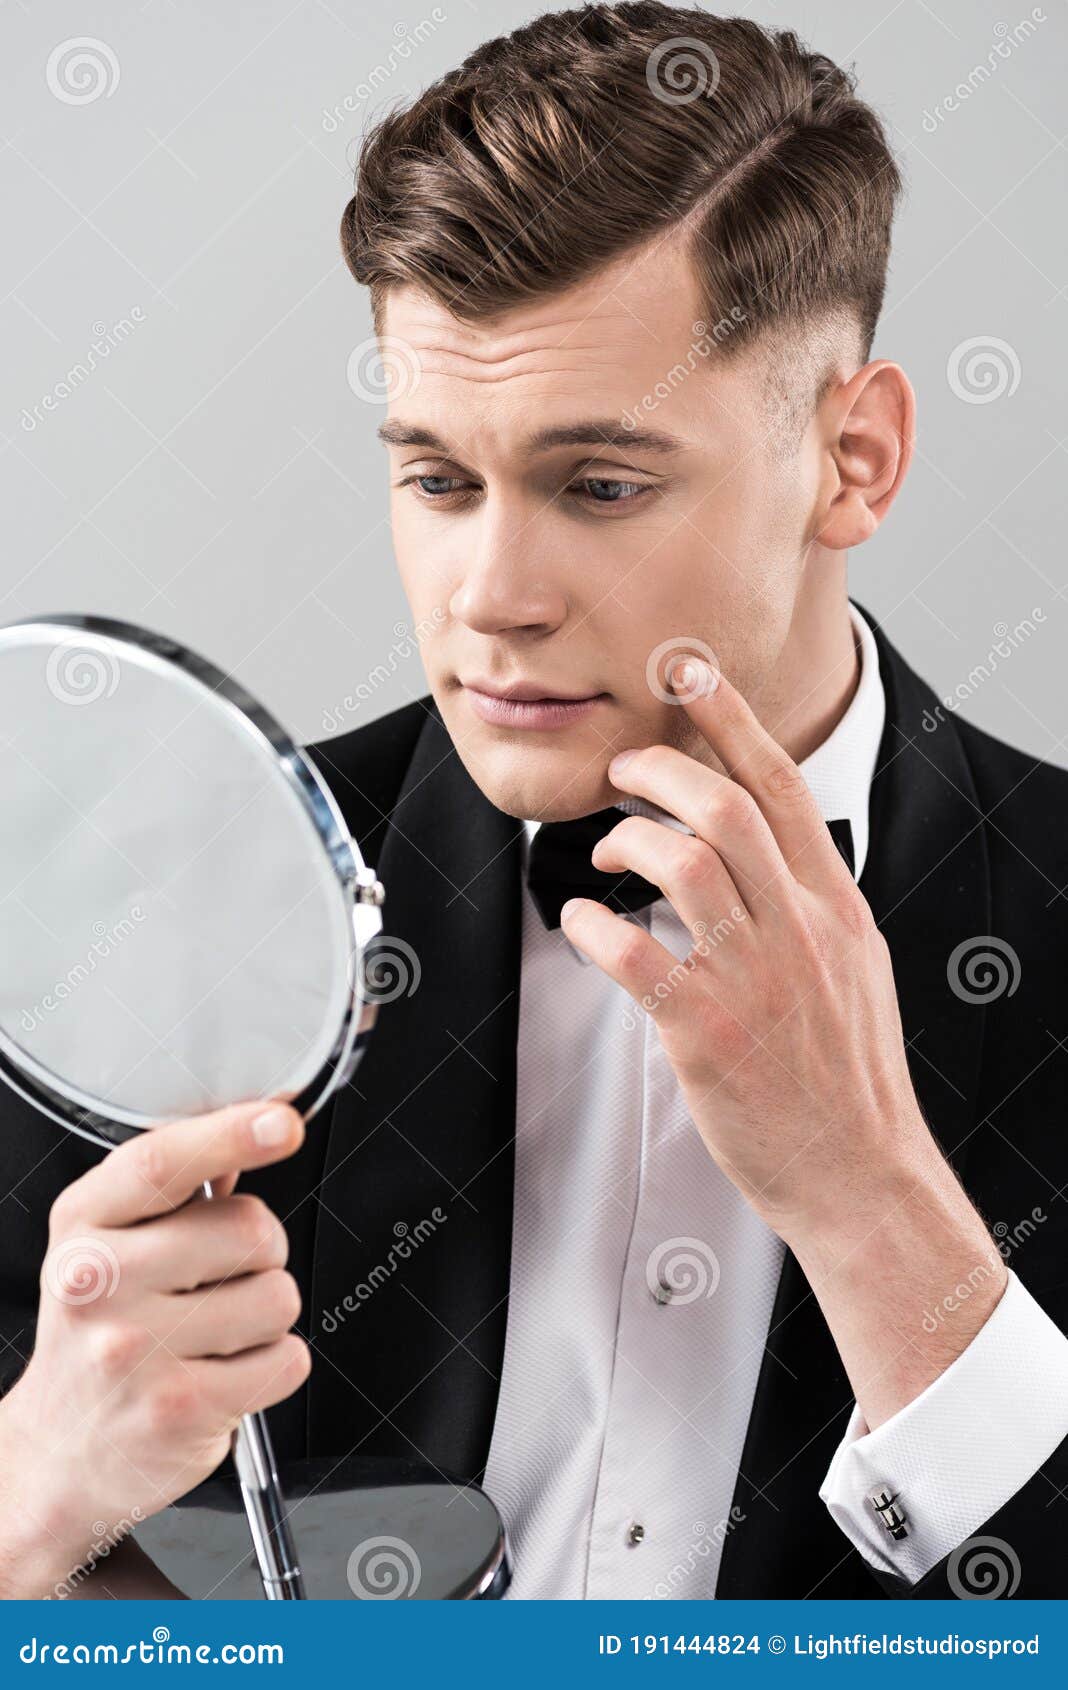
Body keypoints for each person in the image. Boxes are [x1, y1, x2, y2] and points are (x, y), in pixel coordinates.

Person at [1, 3, 1065, 1601]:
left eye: (601, 484)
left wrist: (872, 1202)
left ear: (853, 457)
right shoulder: (155, 920)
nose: (490, 596)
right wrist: (29, 1501)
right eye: (436, 477)